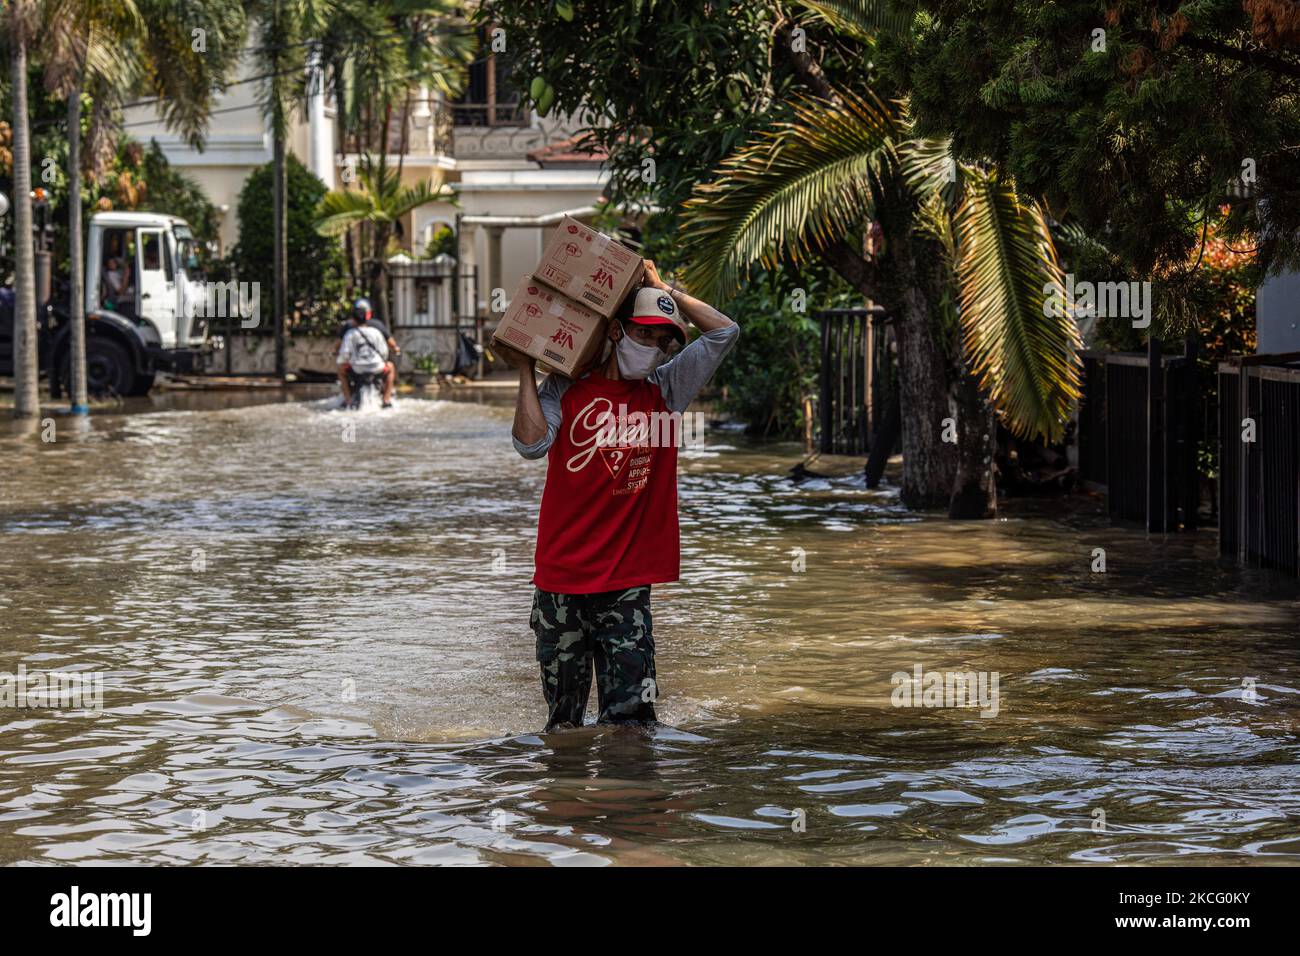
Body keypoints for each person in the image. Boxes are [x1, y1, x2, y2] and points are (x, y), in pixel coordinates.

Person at [507, 260, 739, 731]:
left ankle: (630, 800)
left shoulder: (665, 390)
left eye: (663, 340)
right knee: (563, 726)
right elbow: (530, 445)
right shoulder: (565, 388)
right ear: (615, 331)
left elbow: (724, 332)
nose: (653, 348)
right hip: (560, 580)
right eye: (644, 335)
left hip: (626, 584)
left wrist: (661, 288)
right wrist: (526, 369)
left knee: (632, 724)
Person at [337, 297, 394, 407]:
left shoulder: (349, 332)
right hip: (377, 367)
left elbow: (344, 354)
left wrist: (344, 361)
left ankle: (348, 401)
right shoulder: (377, 330)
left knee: (340, 370)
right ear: (368, 315)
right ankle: (386, 400)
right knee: (391, 368)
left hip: (357, 368)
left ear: (353, 319)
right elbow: (384, 352)